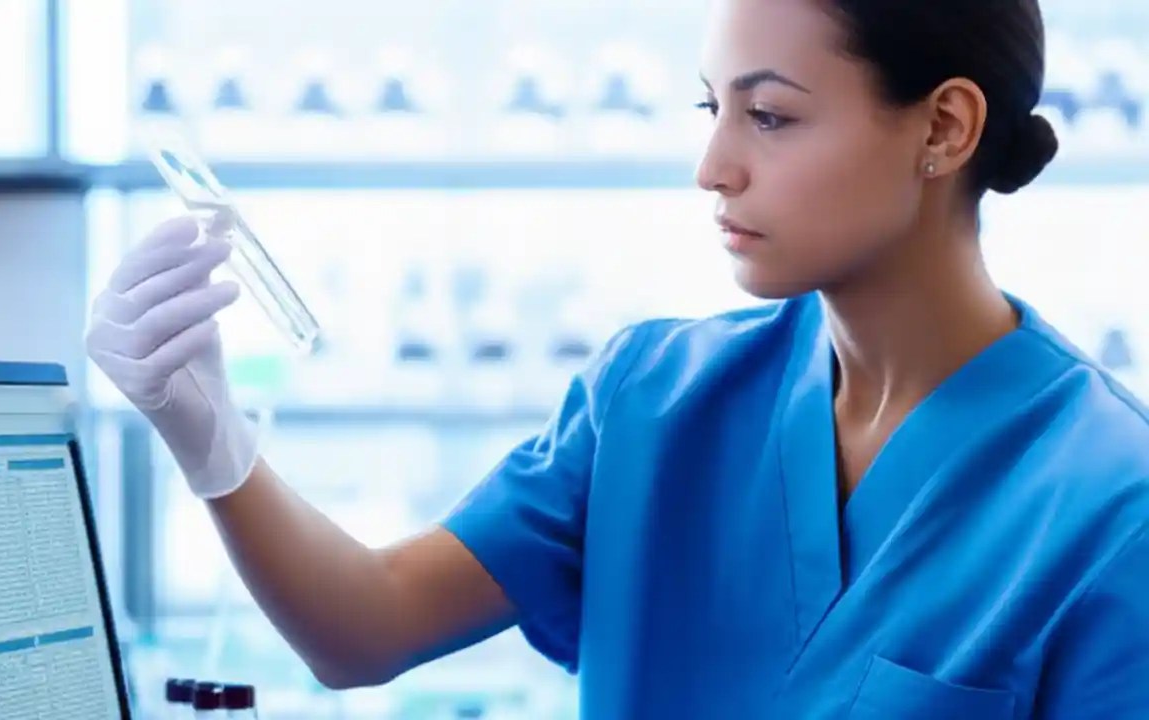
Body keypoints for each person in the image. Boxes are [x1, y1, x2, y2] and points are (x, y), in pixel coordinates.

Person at [85, 0, 1149, 716]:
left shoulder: (1109, 505)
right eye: (711, 107)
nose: (711, 167)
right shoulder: (650, 400)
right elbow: (362, 629)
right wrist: (209, 440)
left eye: (769, 116)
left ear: (944, 128)